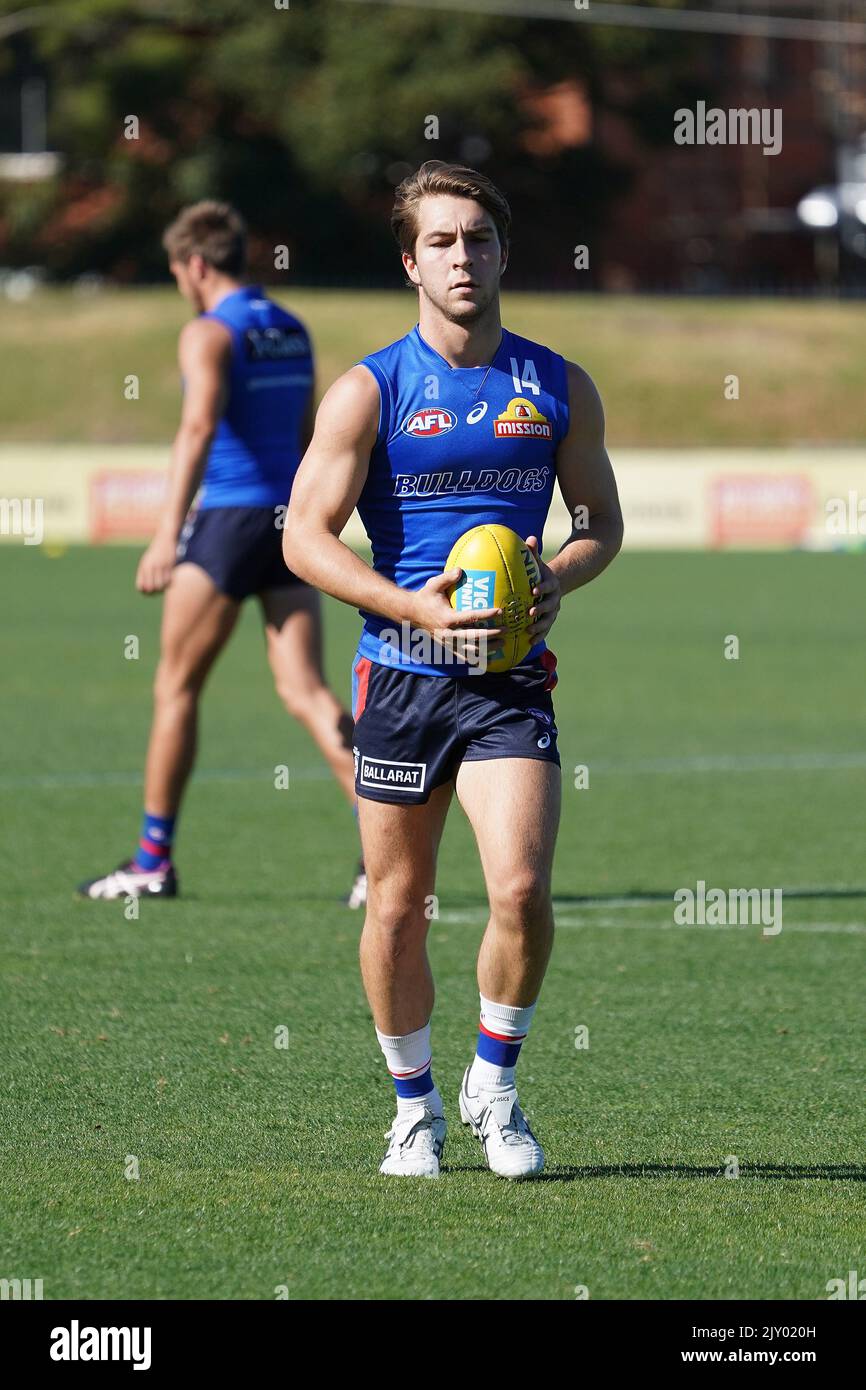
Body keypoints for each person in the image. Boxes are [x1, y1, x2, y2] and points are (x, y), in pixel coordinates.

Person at [283, 161, 623, 1179]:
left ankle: (496, 1084)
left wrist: (555, 577)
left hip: (509, 681)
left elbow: (599, 523)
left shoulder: (555, 384)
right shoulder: (369, 390)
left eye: (477, 237)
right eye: (440, 240)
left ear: (502, 251)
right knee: (397, 904)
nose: (462, 255)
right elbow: (305, 536)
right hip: (399, 674)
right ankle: (411, 1107)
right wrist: (403, 602)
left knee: (518, 886)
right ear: (408, 261)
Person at [78, 200, 364, 906]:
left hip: (227, 521)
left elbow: (198, 426)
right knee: (305, 691)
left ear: (195, 265)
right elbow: (308, 437)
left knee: (175, 687)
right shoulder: (291, 330)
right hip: (286, 523)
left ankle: (152, 861)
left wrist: (167, 533)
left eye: (178, 271)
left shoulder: (207, 333)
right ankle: (379, 857)